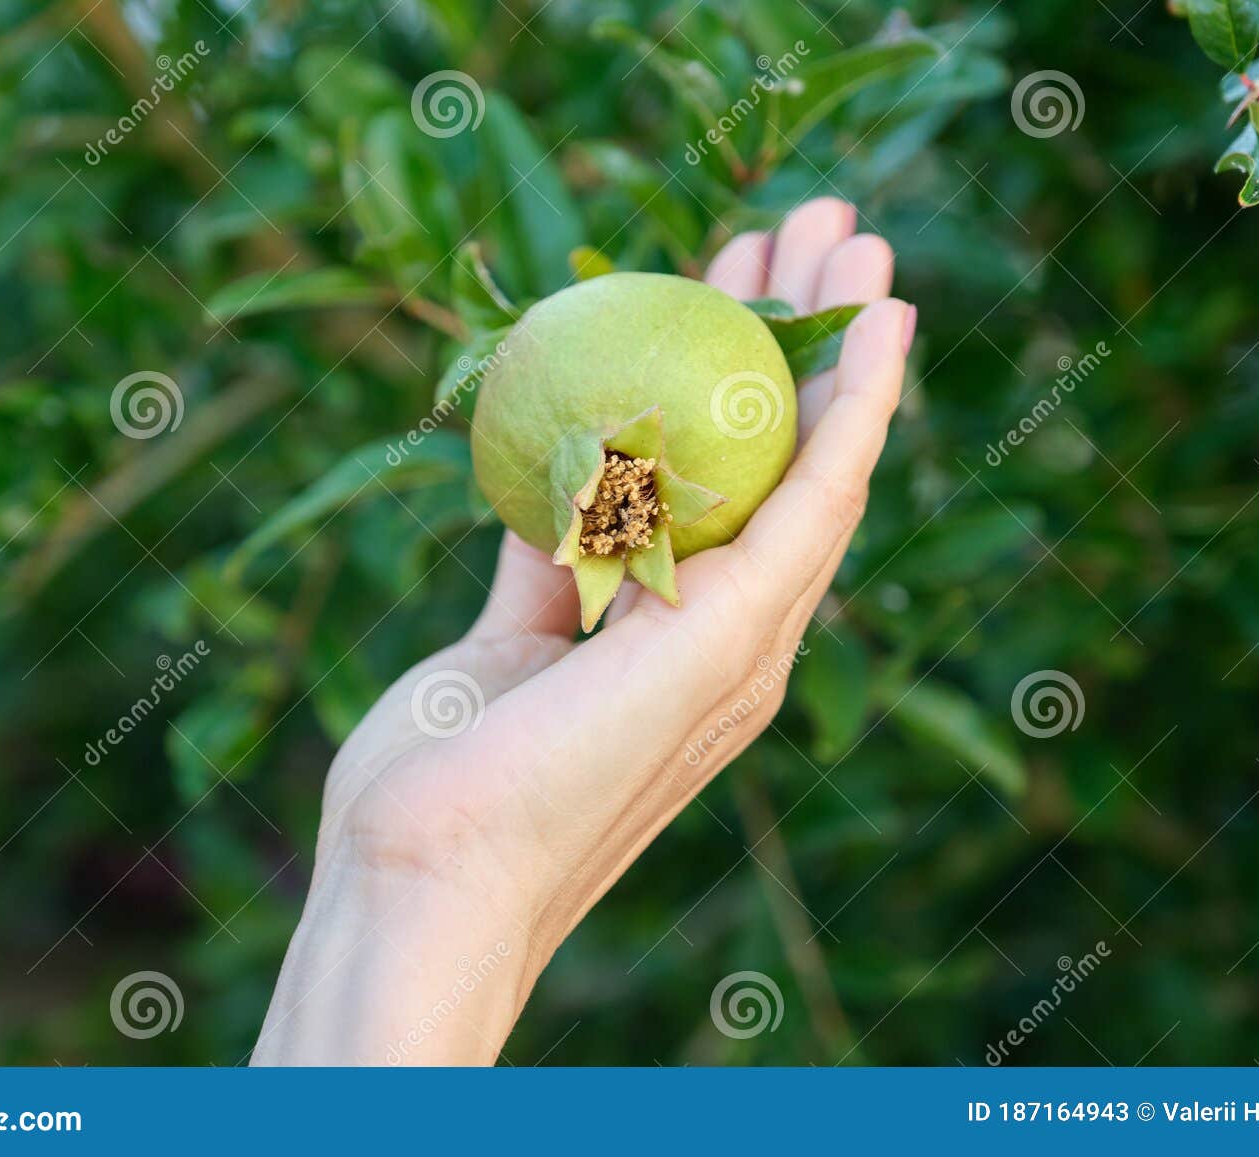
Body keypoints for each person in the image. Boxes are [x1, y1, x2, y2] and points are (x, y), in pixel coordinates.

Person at [252, 198, 916, 1065]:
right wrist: (417, 874)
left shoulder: (545, 468)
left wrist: (413, 885)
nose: (603, 488)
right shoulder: (564, 476)